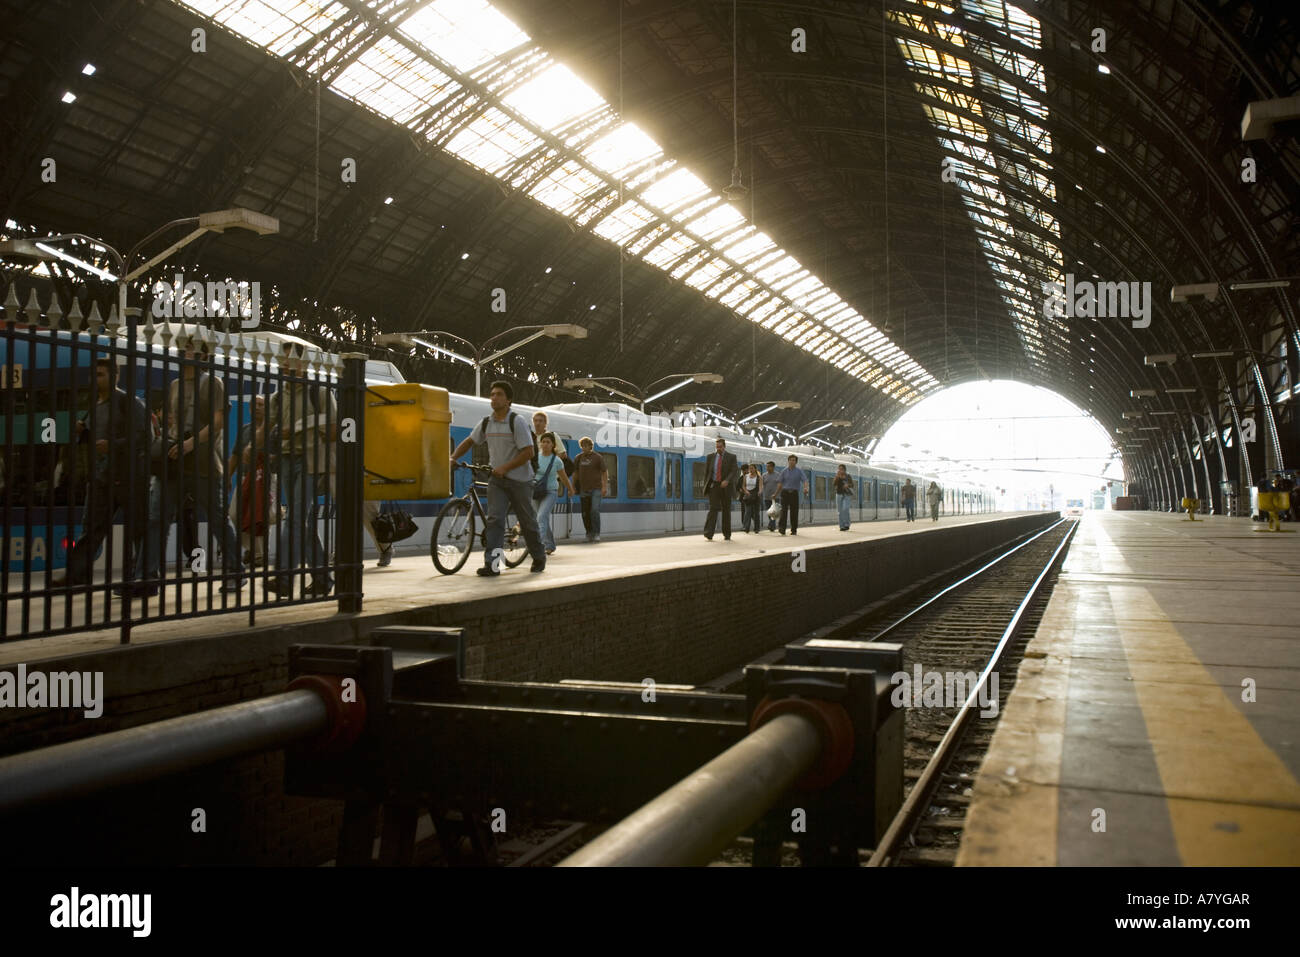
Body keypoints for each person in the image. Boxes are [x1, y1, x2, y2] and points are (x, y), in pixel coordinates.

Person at [152, 342, 244, 593]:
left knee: (218, 520)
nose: (186, 352)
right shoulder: (174, 386)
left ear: (203, 354)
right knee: (157, 518)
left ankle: (235, 571)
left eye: (192, 348)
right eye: (184, 347)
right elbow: (172, 424)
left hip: (203, 464)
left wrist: (190, 444)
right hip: (174, 465)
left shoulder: (212, 383)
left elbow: (218, 423)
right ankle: (147, 576)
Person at [63, 357, 151, 590]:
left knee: (137, 530)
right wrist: (82, 433)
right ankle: (77, 576)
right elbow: (93, 441)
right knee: (91, 527)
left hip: (128, 476)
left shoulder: (128, 402)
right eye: (95, 375)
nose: (96, 379)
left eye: (101, 375)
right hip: (101, 476)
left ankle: (143, 579)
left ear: (115, 376)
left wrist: (114, 445)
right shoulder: (94, 407)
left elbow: (145, 436)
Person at [449, 380, 546, 575]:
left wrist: (505, 468)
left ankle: (539, 556)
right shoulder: (486, 422)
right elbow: (469, 442)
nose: (494, 398)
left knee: (527, 521)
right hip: (498, 481)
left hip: (520, 480)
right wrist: (452, 458)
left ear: (508, 400)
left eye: (499, 394)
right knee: (495, 520)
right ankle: (492, 566)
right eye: (492, 394)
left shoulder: (516, 421)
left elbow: (528, 452)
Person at [268, 343, 336, 597]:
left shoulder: (318, 392)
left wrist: (301, 427)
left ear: (303, 363)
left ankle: (283, 577)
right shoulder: (279, 395)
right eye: (281, 360)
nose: (283, 364)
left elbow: (333, 430)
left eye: (289, 360)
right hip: (285, 460)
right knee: (303, 524)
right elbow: (270, 427)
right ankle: (323, 580)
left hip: (310, 461)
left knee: (295, 518)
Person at [533, 431, 575, 555]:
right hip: (535, 491)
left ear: (553, 445)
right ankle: (550, 544)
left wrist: (570, 489)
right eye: (543, 442)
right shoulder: (535, 457)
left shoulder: (557, 461)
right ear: (540, 444)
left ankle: (537, 546)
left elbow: (563, 477)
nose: (545, 444)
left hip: (550, 492)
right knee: (541, 518)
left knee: (541, 517)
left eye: (548, 442)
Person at [702, 437, 739, 540]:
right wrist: (706, 486)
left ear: (724, 446)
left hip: (726, 487)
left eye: (720, 447)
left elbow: (734, 470)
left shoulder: (731, 457)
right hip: (714, 486)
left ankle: (727, 534)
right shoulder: (710, 457)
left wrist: (727, 480)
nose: (718, 448)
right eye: (717, 447)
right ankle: (708, 533)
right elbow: (707, 473)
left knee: (726, 510)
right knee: (713, 508)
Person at [573, 436, 608, 543]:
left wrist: (604, 487)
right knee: (585, 513)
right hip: (584, 489)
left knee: (594, 510)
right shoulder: (578, 458)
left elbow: (604, 472)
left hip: (596, 488)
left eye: (586, 446)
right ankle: (589, 533)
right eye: (582, 446)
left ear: (590, 446)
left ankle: (596, 533)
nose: (584, 448)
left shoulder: (597, 457)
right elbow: (576, 473)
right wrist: (573, 486)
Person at [777, 454, 809, 535]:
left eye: (794, 460)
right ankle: (782, 529)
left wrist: (805, 488)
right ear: (788, 461)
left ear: (796, 462)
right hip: (785, 493)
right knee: (783, 511)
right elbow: (780, 483)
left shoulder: (799, 471)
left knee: (794, 512)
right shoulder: (784, 471)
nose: (792, 461)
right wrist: (776, 493)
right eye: (790, 460)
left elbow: (805, 480)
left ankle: (793, 530)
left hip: (794, 493)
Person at [739, 464, 763, 533]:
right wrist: (746, 491)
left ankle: (757, 528)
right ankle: (746, 527)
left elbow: (761, 486)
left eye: (752, 468)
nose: (751, 470)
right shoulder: (746, 476)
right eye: (750, 469)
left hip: (756, 496)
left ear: (755, 469)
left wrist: (760, 492)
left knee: (756, 513)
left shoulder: (759, 477)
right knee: (747, 512)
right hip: (748, 496)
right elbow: (743, 486)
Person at [761, 461, 781, 532]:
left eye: (769, 466)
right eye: (766, 466)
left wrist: (775, 494)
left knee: (774, 512)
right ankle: (772, 525)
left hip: (776, 497)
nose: (767, 468)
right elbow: (761, 485)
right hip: (766, 497)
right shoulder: (764, 475)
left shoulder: (778, 475)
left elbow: (779, 485)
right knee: (769, 512)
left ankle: (771, 525)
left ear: (773, 467)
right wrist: (760, 492)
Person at [834, 465, 855, 531]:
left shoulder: (848, 476)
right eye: (839, 469)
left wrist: (847, 485)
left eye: (842, 469)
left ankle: (847, 524)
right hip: (839, 494)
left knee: (845, 509)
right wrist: (837, 477)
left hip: (847, 494)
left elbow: (852, 484)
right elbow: (834, 484)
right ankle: (841, 526)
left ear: (845, 470)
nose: (840, 470)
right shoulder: (837, 476)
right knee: (840, 511)